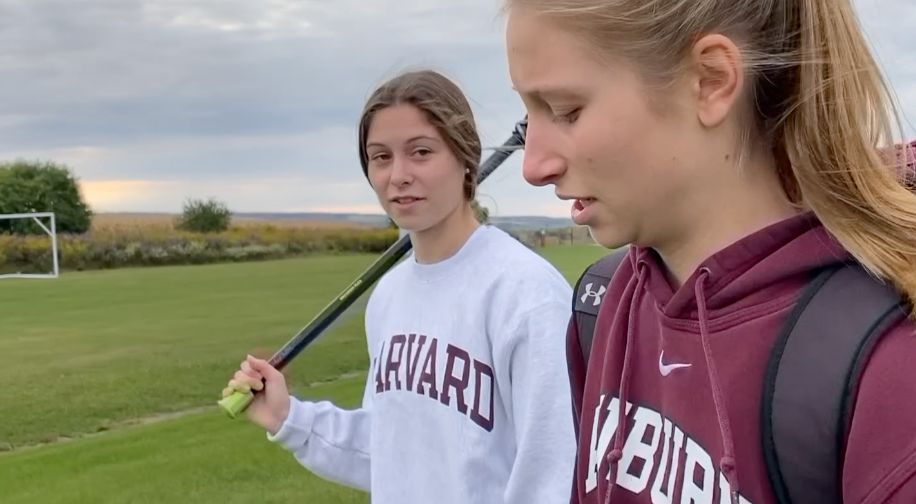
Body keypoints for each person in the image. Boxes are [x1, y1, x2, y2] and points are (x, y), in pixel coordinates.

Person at [503, 1, 916, 503]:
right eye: (528, 116)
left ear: (711, 79)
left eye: (566, 110)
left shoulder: (888, 364)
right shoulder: (605, 303)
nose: (534, 166)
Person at [222, 69, 576, 503]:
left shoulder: (527, 295)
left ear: (465, 156)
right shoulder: (389, 296)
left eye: (421, 152)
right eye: (381, 157)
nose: (398, 176)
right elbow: (389, 451)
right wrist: (287, 416)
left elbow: (555, 477)